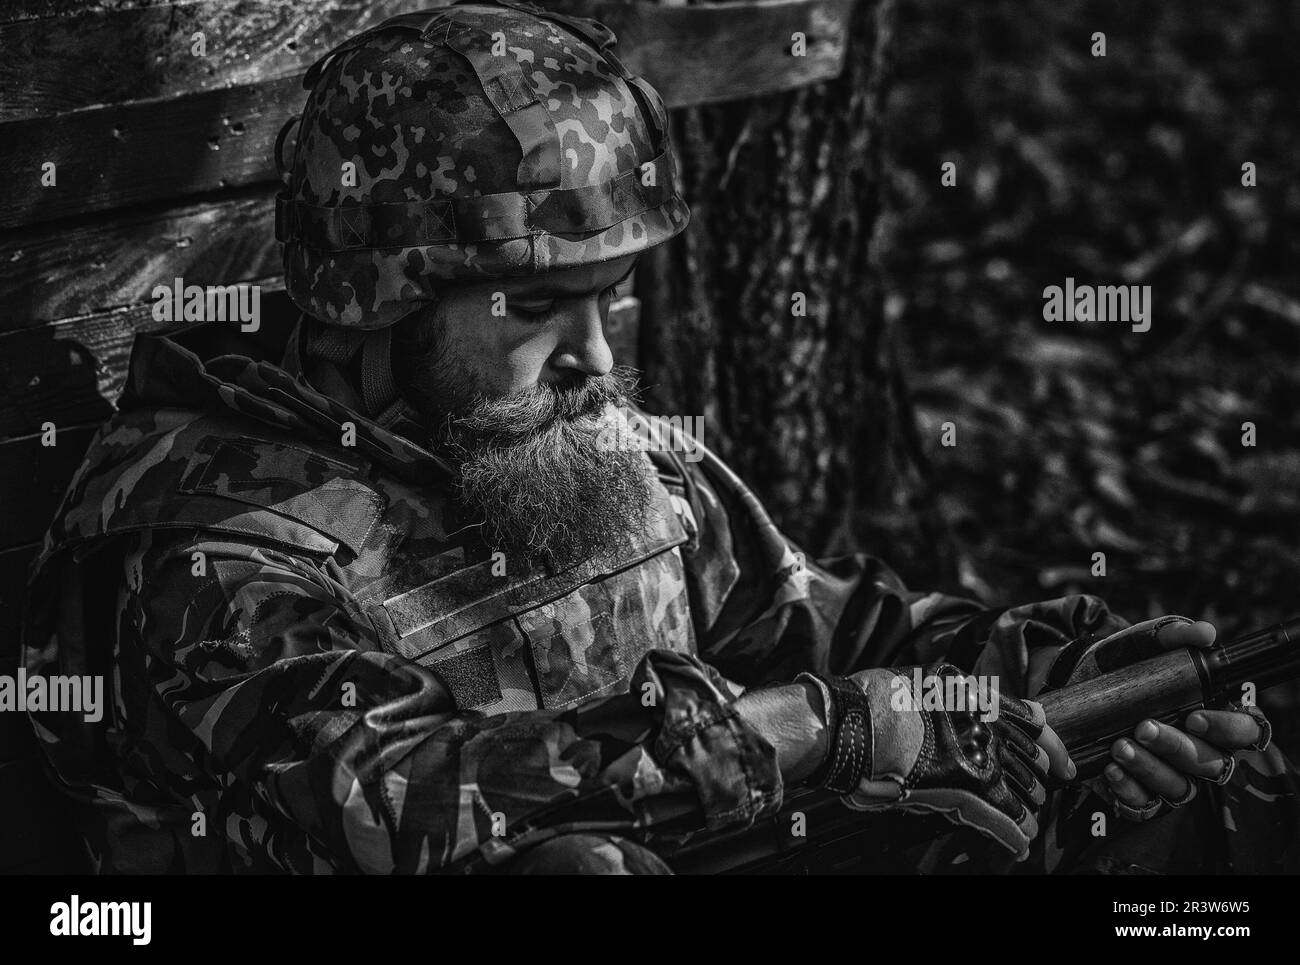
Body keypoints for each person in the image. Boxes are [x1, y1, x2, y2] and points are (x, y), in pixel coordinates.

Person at [22, 0, 1295, 875]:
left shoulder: (564, 439)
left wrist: (1055, 677)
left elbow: (826, 630)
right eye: (533, 302)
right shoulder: (213, 540)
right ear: (380, 298)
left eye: (612, 291)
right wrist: (812, 733)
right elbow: (395, 805)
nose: (596, 357)